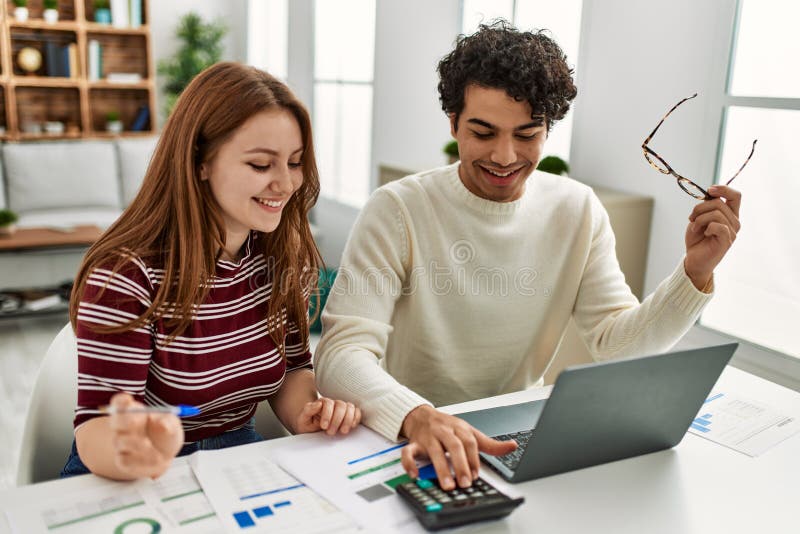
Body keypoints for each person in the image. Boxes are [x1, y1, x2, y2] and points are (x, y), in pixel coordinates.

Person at [315, 21, 742, 490]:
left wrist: (695, 271)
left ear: (548, 128)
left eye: (526, 134)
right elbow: (340, 356)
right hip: (407, 434)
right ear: (453, 122)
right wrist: (417, 416)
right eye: (483, 132)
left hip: (514, 436)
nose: (504, 156)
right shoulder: (397, 209)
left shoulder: (577, 209)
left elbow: (619, 345)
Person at [61, 62, 361, 481]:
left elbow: (292, 369)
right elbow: (98, 425)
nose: (286, 184)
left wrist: (307, 414)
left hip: (236, 454)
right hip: (131, 474)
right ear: (200, 162)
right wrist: (133, 450)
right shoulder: (126, 276)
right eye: (260, 165)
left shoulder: (275, 255)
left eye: (294, 163)